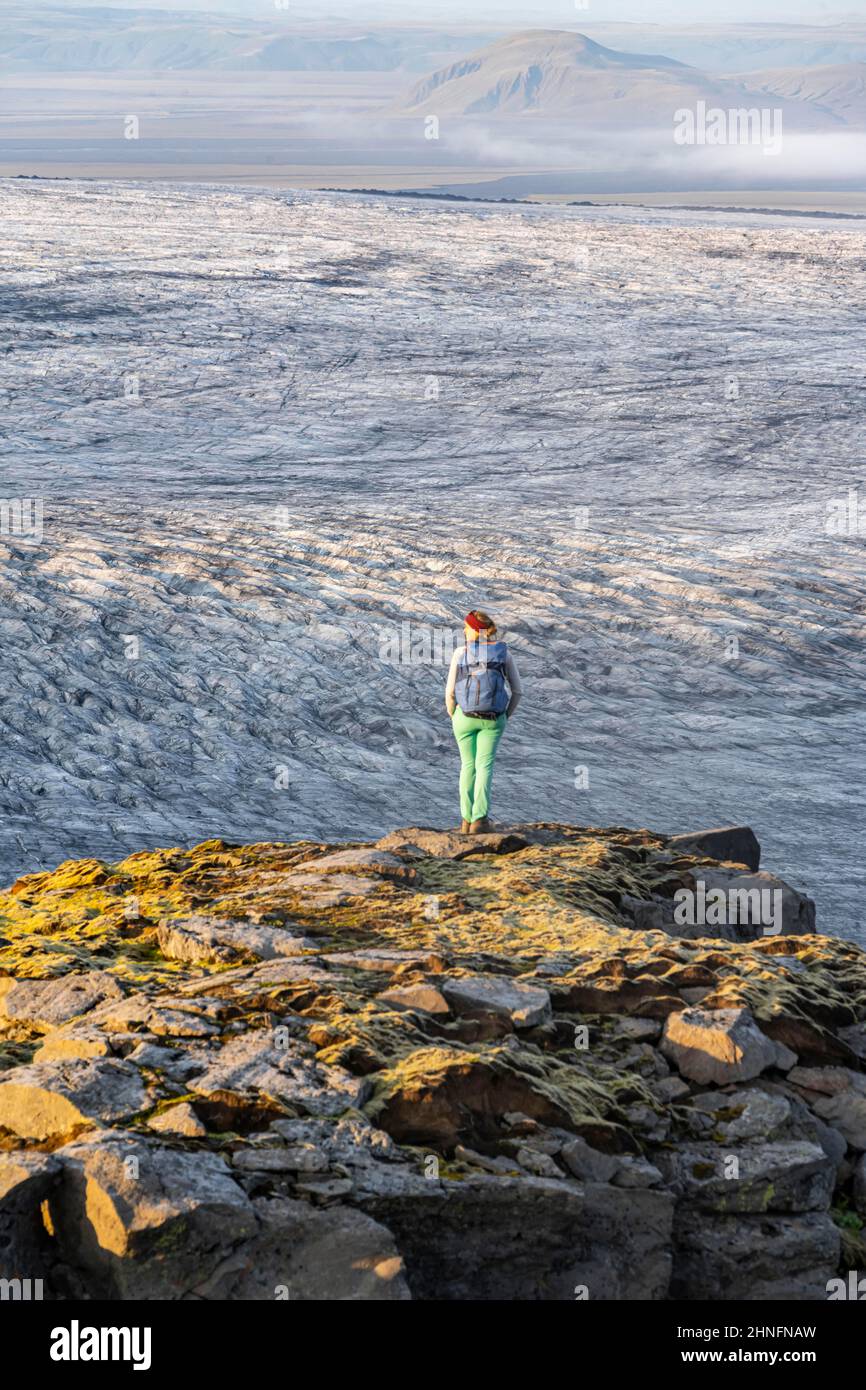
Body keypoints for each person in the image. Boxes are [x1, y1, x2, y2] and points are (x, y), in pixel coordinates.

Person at [445, 610, 522, 834]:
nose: (463, 630)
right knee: (484, 766)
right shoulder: (504, 654)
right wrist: (505, 716)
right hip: (494, 719)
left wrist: (455, 715)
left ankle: (465, 820)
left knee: (467, 766)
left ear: (472, 629)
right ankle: (480, 820)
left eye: (465, 626)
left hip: (463, 718)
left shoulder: (461, 652)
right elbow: (518, 691)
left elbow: (450, 693)